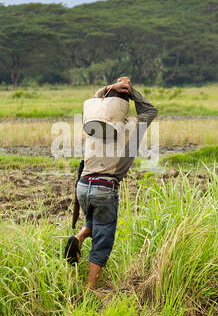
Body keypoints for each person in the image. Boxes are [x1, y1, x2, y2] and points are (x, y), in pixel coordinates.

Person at [64, 75, 158, 289]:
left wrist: (112, 87)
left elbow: (96, 99)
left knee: (95, 223)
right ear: (125, 106)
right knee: (103, 239)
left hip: (83, 185)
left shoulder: (92, 124)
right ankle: (90, 290)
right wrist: (130, 90)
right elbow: (150, 110)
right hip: (105, 188)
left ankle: (78, 238)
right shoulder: (132, 125)